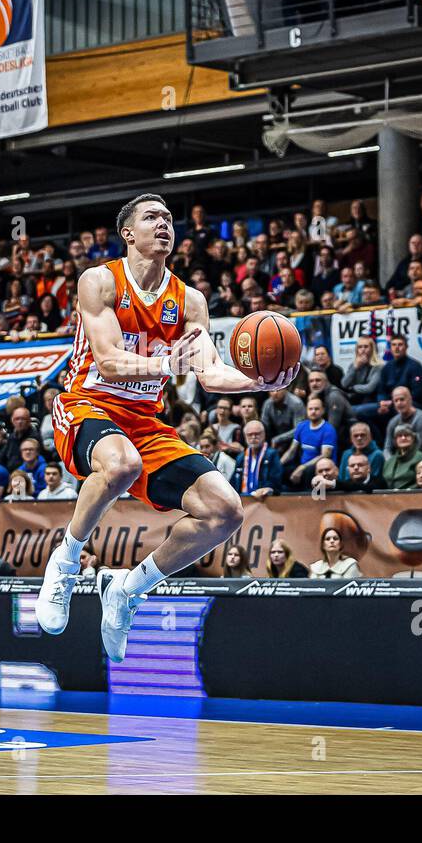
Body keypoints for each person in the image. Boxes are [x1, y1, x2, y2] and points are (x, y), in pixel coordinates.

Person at [36, 194, 298, 664]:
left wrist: (260, 379)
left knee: (225, 511)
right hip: (86, 404)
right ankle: (68, 559)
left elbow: (212, 374)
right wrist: (164, 362)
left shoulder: (190, 300)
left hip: (144, 421)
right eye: (151, 218)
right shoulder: (98, 281)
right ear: (128, 233)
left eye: (169, 219)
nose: (164, 225)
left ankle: (126, 588)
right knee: (120, 464)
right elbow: (111, 362)